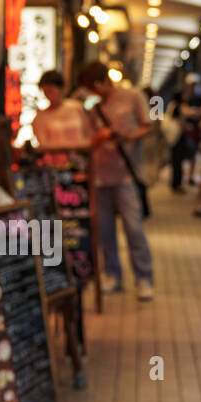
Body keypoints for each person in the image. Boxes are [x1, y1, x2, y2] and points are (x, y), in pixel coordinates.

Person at [77, 60, 156, 300]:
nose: (92, 93)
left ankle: (144, 278)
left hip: (126, 176)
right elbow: (88, 139)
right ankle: (112, 275)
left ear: (101, 83)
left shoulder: (133, 96)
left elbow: (150, 125)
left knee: (134, 229)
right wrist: (99, 138)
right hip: (100, 175)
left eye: (93, 87)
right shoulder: (93, 107)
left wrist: (127, 137)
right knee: (105, 231)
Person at [32, 70, 90, 150]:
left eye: (51, 91)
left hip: (79, 158)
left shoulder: (76, 107)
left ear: (61, 88)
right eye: (46, 92)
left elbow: (88, 134)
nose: (48, 95)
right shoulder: (40, 117)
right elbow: (43, 144)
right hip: (54, 160)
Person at [169, 75, 201, 192]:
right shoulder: (179, 106)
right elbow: (183, 120)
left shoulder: (173, 105)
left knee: (177, 160)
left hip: (174, 136)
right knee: (178, 160)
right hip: (178, 136)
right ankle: (177, 183)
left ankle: (177, 182)